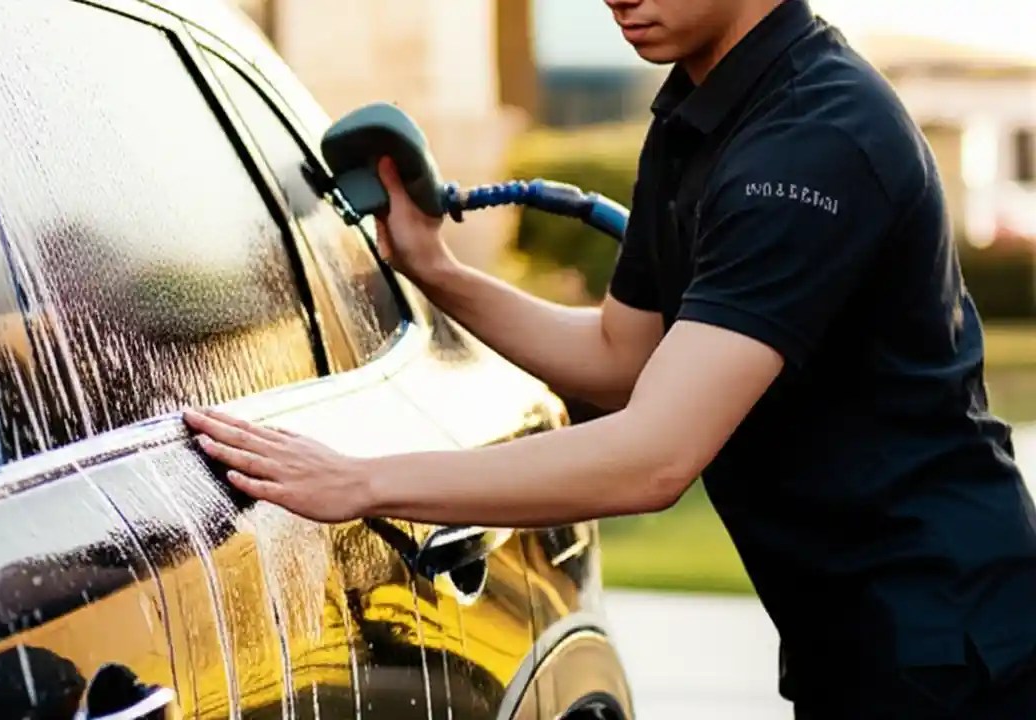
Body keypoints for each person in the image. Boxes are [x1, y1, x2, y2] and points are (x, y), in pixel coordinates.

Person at [183, 0, 1036, 716]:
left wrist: (362, 482)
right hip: (857, 636)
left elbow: (653, 457)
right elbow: (621, 355)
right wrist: (437, 271)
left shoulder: (817, 140)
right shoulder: (699, 115)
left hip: (950, 643)